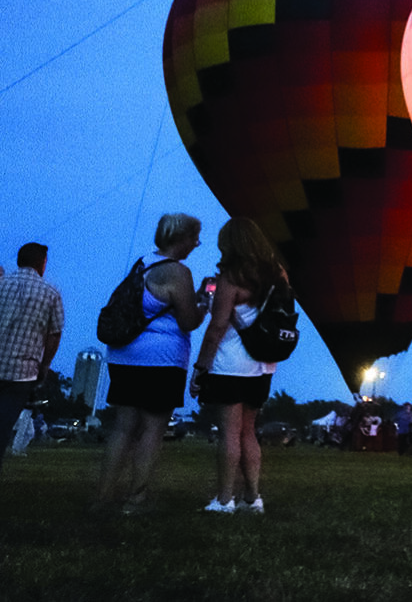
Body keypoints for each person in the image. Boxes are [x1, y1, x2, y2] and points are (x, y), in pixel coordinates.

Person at [94, 214, 205, 514]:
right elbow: (187, 320)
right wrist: (204, 305)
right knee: (152, 430)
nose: (197, 243)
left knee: (123, 429)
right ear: (179, 238)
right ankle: (136, 499)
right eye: (194, 237)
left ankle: (103, 498)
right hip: (161, 362)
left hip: (123, 356)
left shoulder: (143, 263)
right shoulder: (178, 272)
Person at [191, 218, 287, 513]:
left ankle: (224, 500)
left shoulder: (232, 278)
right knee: (249, 431)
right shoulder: (278, 275)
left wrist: (200, 369)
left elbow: (217, 327)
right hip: (263, 366)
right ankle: (253, 498)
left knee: (229, 434)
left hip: (231, 364)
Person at [0, 243, 63, 476]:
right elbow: (55, 333)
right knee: (4, 424)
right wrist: (45, 364)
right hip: (22, 370)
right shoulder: (51, 293)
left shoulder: (2, 284)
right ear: (42, 263)